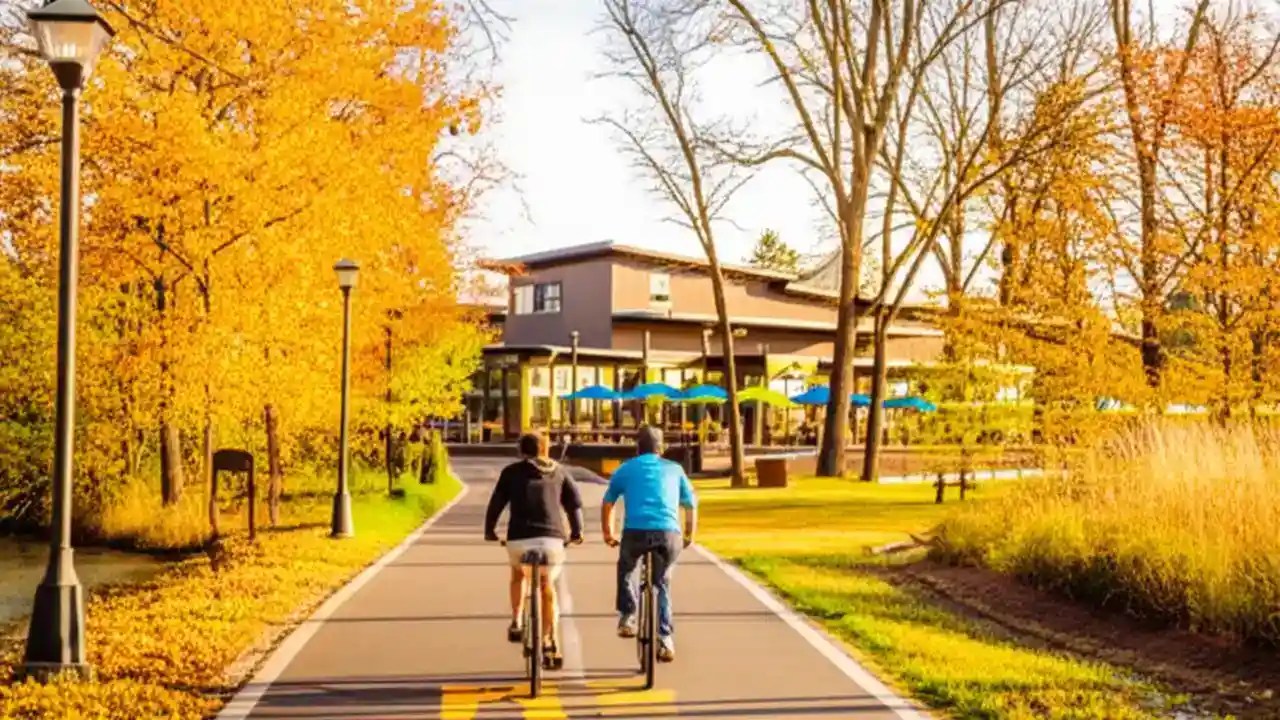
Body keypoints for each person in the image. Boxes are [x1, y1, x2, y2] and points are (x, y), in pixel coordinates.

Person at [484, 431, 584, 666]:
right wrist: (577, 533)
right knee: (547, 584)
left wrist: (490, 531)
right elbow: (574, 505)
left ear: (521, 451)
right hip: (552, 542)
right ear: (545, 449)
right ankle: (549, 639)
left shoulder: (510, 473)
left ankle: (517, 620)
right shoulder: (560, 472)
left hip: (519, 540)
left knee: (519, 573)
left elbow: (496, 504)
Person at [601, 426, 697, 662]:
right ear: (661, 448)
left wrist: (608, 533)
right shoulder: (675, 469)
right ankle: (665, 639)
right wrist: (689, 534)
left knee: (626, 568)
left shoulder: (625, 469)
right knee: (662, 583)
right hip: (668, 534)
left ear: (637, 448)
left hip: (635, 532)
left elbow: (608, 502)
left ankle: (628, 615)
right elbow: (690, 505)